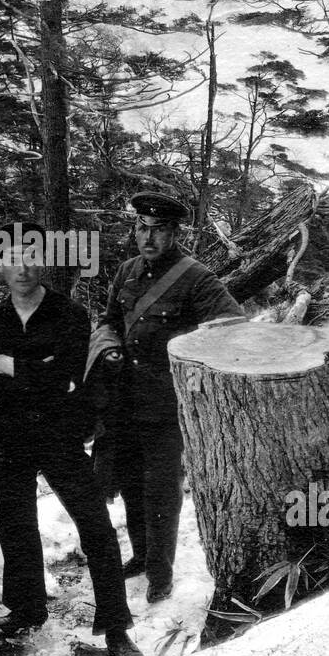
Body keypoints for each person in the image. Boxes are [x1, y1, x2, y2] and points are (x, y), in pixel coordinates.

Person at [0, 223, 147, 656]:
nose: (22, 267)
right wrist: (34, 371)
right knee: (16, 523)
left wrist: (9, 364)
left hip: (58, 430)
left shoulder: (68, 314)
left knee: (95, 524)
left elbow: (66, 375)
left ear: (46, 259)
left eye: (31, 255)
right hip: (9, 433)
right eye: (11, 257)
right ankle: (27, 607)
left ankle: (115, 626)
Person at [99, 192, 243, 604]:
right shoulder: (127, 271)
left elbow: (230, 327)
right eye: (142, 228)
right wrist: (108, 345)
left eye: (158, 229)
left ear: (174, 232)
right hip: (124, 401)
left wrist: (194, 366)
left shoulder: (196, 277)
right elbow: (109, 320)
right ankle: (142, 556)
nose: (149, 237)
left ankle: (161, 572)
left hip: (166, 404)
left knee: (160, 489)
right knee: (129, 484)